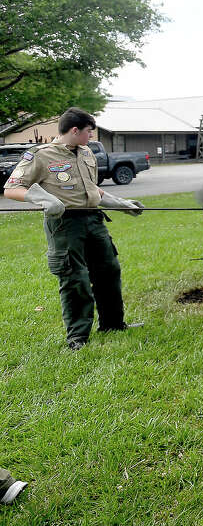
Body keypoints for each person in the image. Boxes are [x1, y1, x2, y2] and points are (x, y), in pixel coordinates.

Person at [3, 107, 144, 350]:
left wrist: (122, 204)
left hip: (93, 220)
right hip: (65, 224)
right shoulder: (40, 155)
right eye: (89, 131)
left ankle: (112, 323)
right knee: (74, 279)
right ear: (75, 130)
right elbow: (12, 188)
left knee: (109, 271)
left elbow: (93, 190)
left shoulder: (86, 152)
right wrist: (44, 200)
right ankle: (78, 337)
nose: (92, 136)